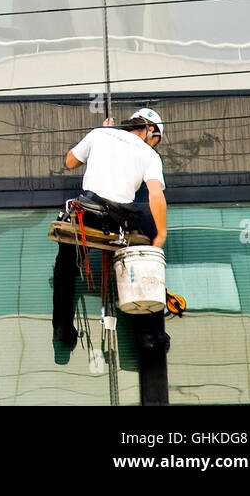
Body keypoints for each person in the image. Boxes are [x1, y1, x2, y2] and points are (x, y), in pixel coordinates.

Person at [53, 108, 171, 392]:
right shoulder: (149, 155)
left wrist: (100, 135)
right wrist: (161, 234)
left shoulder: (100, 134)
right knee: (142, 262)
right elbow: (155, 195)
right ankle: (150, 336)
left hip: (88, 210)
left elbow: (69, 161)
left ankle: (63, 330)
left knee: (66, 265)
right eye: (156, 139)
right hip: (120, 218)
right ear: (151, 132)